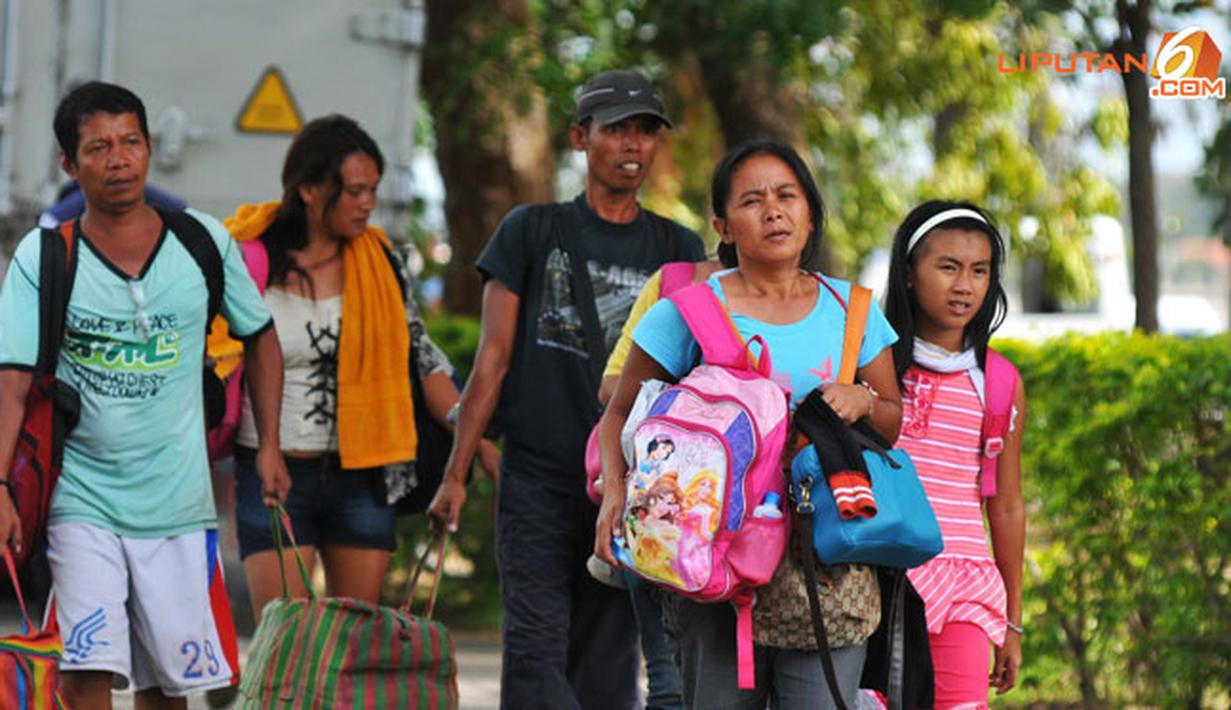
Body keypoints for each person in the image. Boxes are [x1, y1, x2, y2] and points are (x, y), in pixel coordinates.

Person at [0, 81, 285, 709]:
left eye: (131, 142)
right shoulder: (46, 255)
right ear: (70, 166)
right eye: (99, 148)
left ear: (150, 149)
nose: (119, 159)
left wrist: (269, 446)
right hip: (80, 500)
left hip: (178, 506)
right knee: (84, 671)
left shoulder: (203, 243)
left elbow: (262, 339)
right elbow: (13, 380)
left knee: (169, 685)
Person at [427, 69, 705, 709]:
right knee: (533, 654)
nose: (631, 145)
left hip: (630, 484)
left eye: (644, 131)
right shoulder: (531, 230)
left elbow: (692, 379)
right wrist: (457, 472)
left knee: (610, 668)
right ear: (581, 138)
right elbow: (492, 361)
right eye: (615, 130)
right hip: (539, 480)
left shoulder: (678, 249)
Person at [594, 140, 902, 708]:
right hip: (713, 560)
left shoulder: (854, 309)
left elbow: (892, 419)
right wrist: (615, 491)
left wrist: (862, 401)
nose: (773, 211)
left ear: (810, 214)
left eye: (787, 196)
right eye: (752, 200)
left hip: (827, 559)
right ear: (723, 226)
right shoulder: (688, 310)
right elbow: (620, 412)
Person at [207, 114, 500, 617]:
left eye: (373, 190)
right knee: (287, 645)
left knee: (355, 649)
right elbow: (216, 356)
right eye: (356, 191)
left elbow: (423, 359)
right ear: (309, 190)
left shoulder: (381, 261)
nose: (368, 203)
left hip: (362, 474)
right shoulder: (248, 261)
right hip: (274, 470)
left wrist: (476, 440)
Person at [882, 200, 1026, 706]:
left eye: (979, 270)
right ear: (907, 274)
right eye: (947, 267)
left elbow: (1006, 504)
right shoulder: (871, 366)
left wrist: (1012, 622)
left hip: (963, 582)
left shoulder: (999, 382)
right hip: (876, 574)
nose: (964, 285)